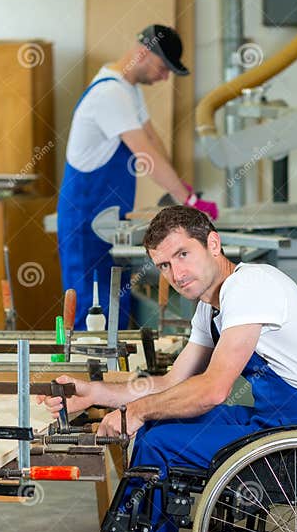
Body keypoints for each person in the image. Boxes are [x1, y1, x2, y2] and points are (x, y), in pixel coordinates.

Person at [40, 206, 297, 532]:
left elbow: (213, 390)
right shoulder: (210, 306)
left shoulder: (249, 289)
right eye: (163, 265)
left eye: (183, 255)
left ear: (213, 244)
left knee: (160, 442)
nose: (176, 274)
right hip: (276, 418)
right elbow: (170, 382)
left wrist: (136, 411)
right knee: (157, 429)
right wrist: (97, 394)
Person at [58, 24, 218, 329]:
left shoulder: (126, 89)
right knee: (93, 315)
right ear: (143, 53)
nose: (164, 77)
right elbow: (145, 156)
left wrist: (182, 192)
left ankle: (116, 377)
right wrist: (190, 200)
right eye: (163, 68)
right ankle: (82, 377)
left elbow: (153, 141)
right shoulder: (109, 94)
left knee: (114, 311)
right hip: (86, 225)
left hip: (108, 223)